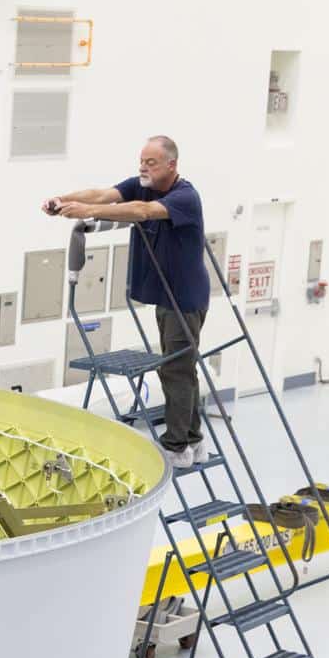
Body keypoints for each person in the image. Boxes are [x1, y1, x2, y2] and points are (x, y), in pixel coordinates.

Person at [43, 135, 208, 469]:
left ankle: (177, 446)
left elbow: (142, 212)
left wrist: (89, 212)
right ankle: (193, 439)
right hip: (166, 295)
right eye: (142, 162)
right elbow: (103, 194)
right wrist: (64, 199)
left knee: (176, 368)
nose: (143, 168)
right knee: (181, 366)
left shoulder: (184, 197)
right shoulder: (142, 184)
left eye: (151, 163)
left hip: (184, 298)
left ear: (171, 165)